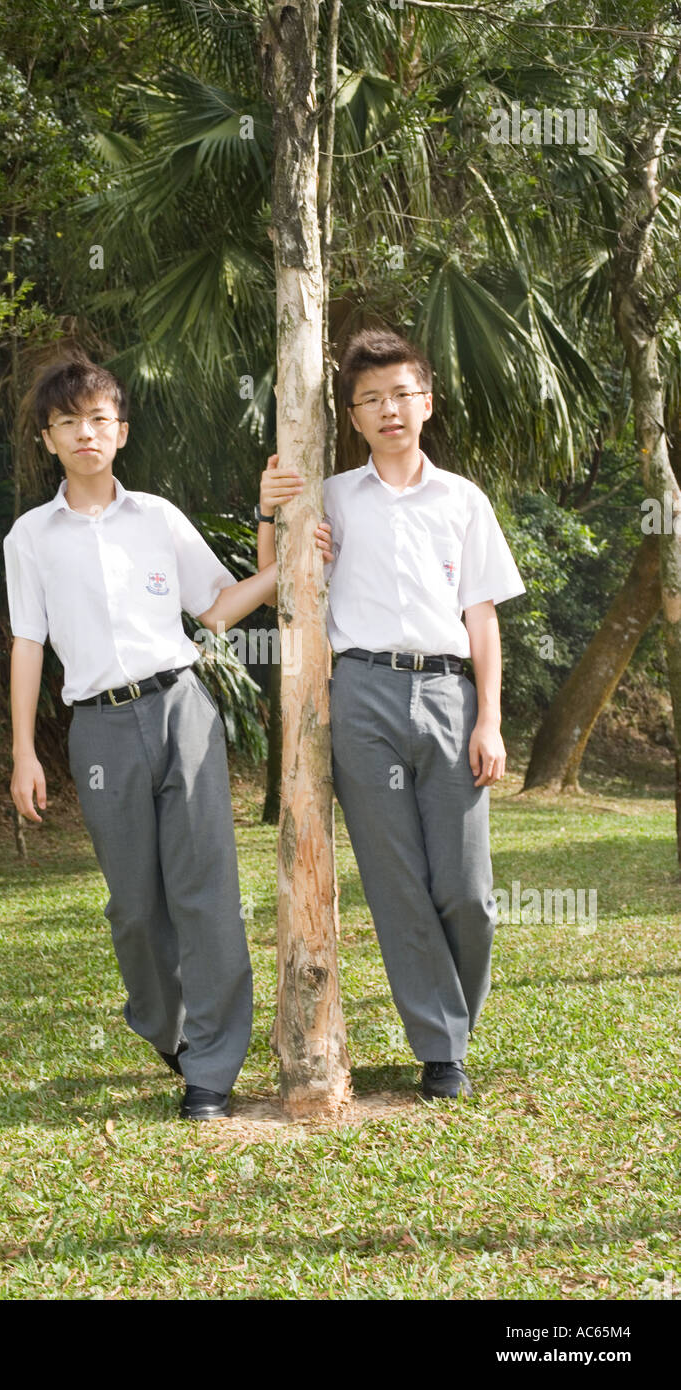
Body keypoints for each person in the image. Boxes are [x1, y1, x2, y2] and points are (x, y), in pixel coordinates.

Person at [4, 354, 277, 1121]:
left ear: (119, 431)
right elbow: (28, 644)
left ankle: (212, 1070)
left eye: (98, 419)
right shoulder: (30, 538)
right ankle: (168, 1029)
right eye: (67, 422)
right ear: (48, 440)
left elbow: (217, 607)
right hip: (98, 728)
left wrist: (286, 562)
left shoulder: (157, 517)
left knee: (206, 892)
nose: (84, 433)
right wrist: (24, 751)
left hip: (182, 708)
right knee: (133, 905)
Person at [257, 327, 525, 1099]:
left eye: (401, 393)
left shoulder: (463, 501)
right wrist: (270, 507)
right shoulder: (332, 495)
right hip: (362, 694)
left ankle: (452, 1024)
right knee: (397, 881)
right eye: (370, 399)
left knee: (466, 891)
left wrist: (490, 720)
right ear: (353, 415)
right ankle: (444, 1054)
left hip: (450, 694)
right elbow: (280, 580)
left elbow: (482, 618)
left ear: (427, 401)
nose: (389, 409)